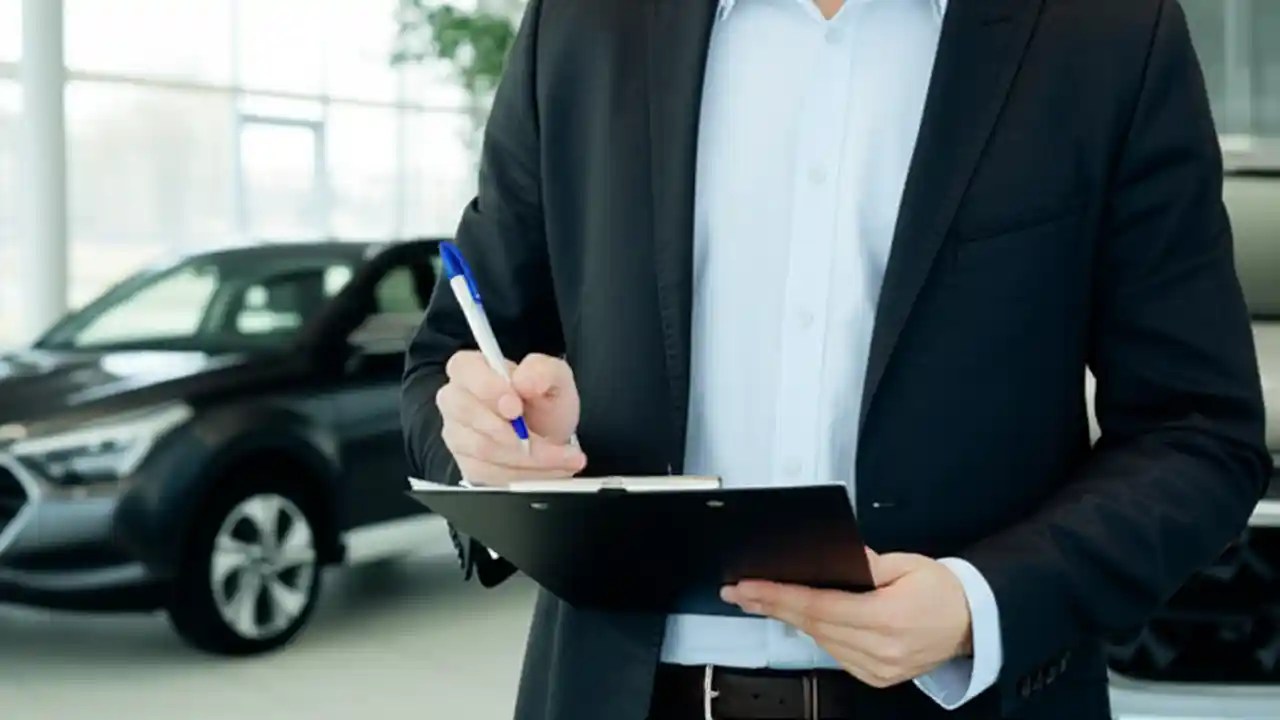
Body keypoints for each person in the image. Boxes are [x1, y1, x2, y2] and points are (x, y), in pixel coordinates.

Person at [401, 0, 1272, 717]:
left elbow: (1198, 432)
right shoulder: (587, 23)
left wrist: (985, 601)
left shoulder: (1108, 34)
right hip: (620, 697)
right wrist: (492, 442)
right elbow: (450, 354)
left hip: (973, 701)